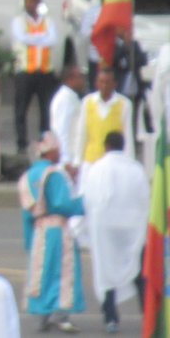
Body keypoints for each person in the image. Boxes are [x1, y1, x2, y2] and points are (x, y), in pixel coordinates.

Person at [19, 132, 85, 334]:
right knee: (63, 271)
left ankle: (43, 315)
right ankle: (62, 315)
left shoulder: (27, 176)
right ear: (52, 151)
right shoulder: (54, 174)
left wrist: (29, 240)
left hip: (39, 229)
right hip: (57, 229)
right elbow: (61, 203)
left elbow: (26, 213)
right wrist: (82, 203)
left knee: (41, 271)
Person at [83, 131, 148, 333]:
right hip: (132, 229)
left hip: (106, 229)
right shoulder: (136, 169)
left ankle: (111, 317)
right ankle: (148, 313)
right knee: (138, 272)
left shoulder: (97, 169)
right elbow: (145, 199)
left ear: (106, 146)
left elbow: (90, 200)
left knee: (106, 271)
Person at [12, 0, 60, 153]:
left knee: (46, 109)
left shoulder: (48, 21)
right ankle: (21, 143)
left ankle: (44, 141)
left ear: (39, 1)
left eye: (33, 0)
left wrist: (34, 39)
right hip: (25, 72)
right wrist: (42, 38)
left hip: (45, 71)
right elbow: (22, 38)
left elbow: (53, 40)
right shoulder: (18, 21)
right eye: (27, 0)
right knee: (21, 109)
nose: (30, 4)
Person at [72, 67, 134, 185]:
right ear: (96, 83)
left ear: (114, 84)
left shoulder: (124, 104)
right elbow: (82, 134)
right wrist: (77, 162)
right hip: (90, 162)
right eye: (101, 82)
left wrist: (129, 163)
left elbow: (128, 137)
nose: (104, 86)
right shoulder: (87, 102)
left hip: (114, 165)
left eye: (108, 82)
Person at [49, 67, 86, 179]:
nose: (83, 81)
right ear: (70, 79)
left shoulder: (71, 98)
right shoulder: (65, 100)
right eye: (81, 77)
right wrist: (66, 160)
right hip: (68, 161)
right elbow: (62, 131)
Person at [78, 0, 111, 84]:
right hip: (95, 58)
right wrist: (99, 29)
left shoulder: (113, 8)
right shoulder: (92, 9)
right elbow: (85, 32)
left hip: (111, 58)